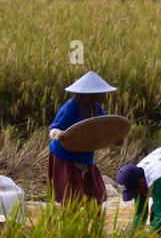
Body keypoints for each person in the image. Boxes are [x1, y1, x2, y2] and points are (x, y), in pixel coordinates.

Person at [47, 71, 115, 205]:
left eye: (98, 95)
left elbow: (102, 128)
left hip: (85, 154)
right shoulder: (69, 108)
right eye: (94, 95)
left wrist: (113, 139)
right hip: (65, 155)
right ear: (84, 95)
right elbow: (53, 129)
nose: (97, 97)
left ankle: (92, 218)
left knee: (96, 193)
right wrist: (59, 134)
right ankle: (69, 219)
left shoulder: (96, 109)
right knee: (70, 194)